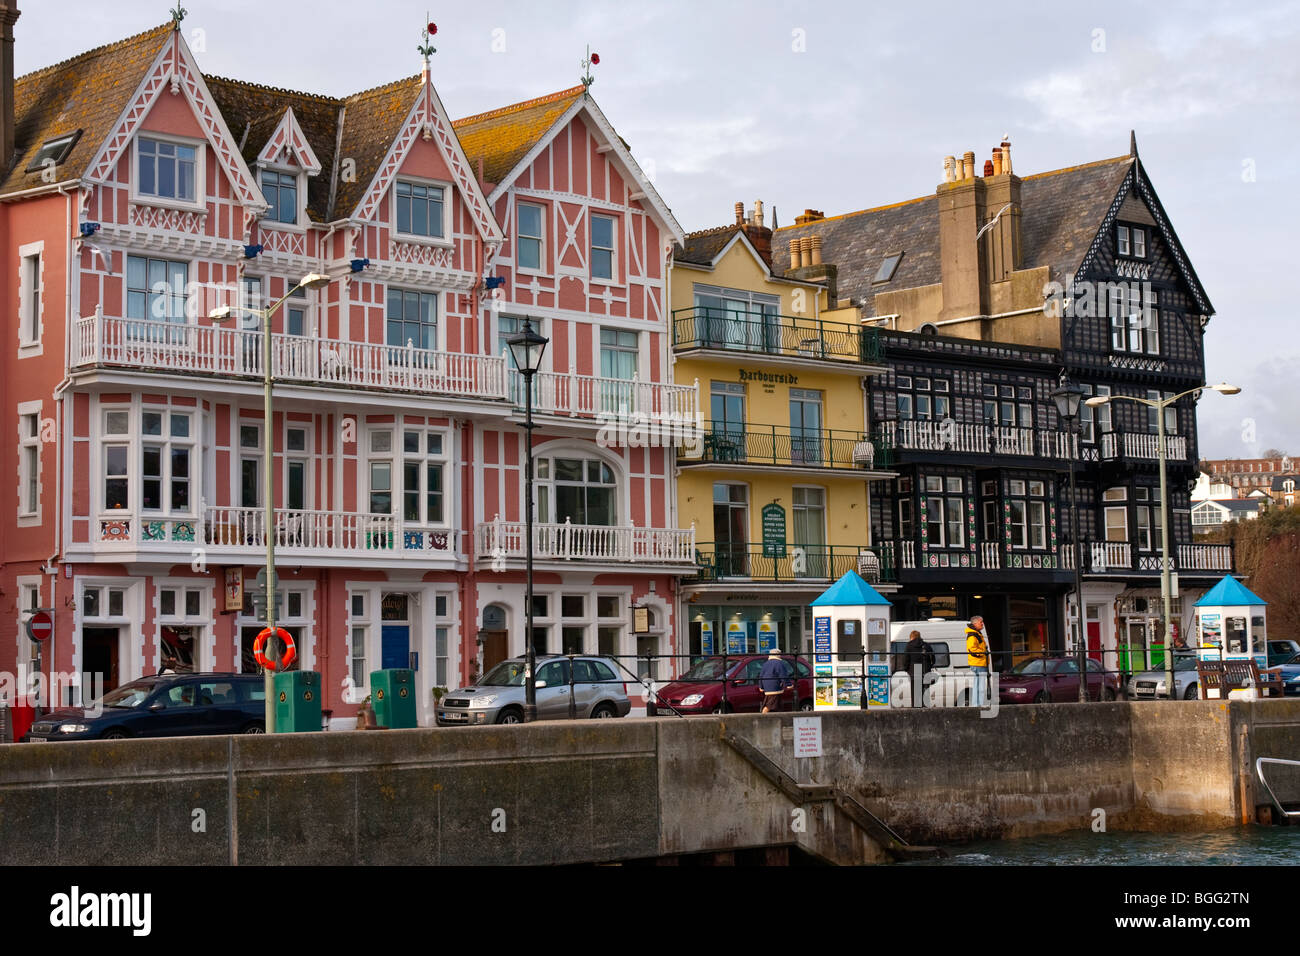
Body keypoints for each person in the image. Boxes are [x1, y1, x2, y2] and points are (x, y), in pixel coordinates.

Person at [904, 630, 934, 706]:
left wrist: (907, 669)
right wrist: (929, 666)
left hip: (914, 671)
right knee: (925, 694)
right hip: (926, 670)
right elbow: (933, 659)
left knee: (916, 696)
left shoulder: (909, 646)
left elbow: (906, 660)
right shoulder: (927, 645)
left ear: (911, 637)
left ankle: (916, 712)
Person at [759, 648, 793, 713]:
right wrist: (789, 685)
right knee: (769, 705)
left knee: (776, 705)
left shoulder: (766, 664)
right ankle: (762, 718)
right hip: (775, 687)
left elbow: (761, 675)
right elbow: (783, 675)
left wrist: (761, 687)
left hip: (766, 687)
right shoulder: (779, 663)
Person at [966, 616, 990, 707]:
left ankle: (976, 704)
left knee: (977, 684)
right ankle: (979, 704)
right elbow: (972, 649)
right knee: (980, 685)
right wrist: (983, 653)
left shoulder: (975, 633)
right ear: (975, 623)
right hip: (979, 662)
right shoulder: (973, 635)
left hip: (978, 662)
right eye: (981, 622)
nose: (982, 623)